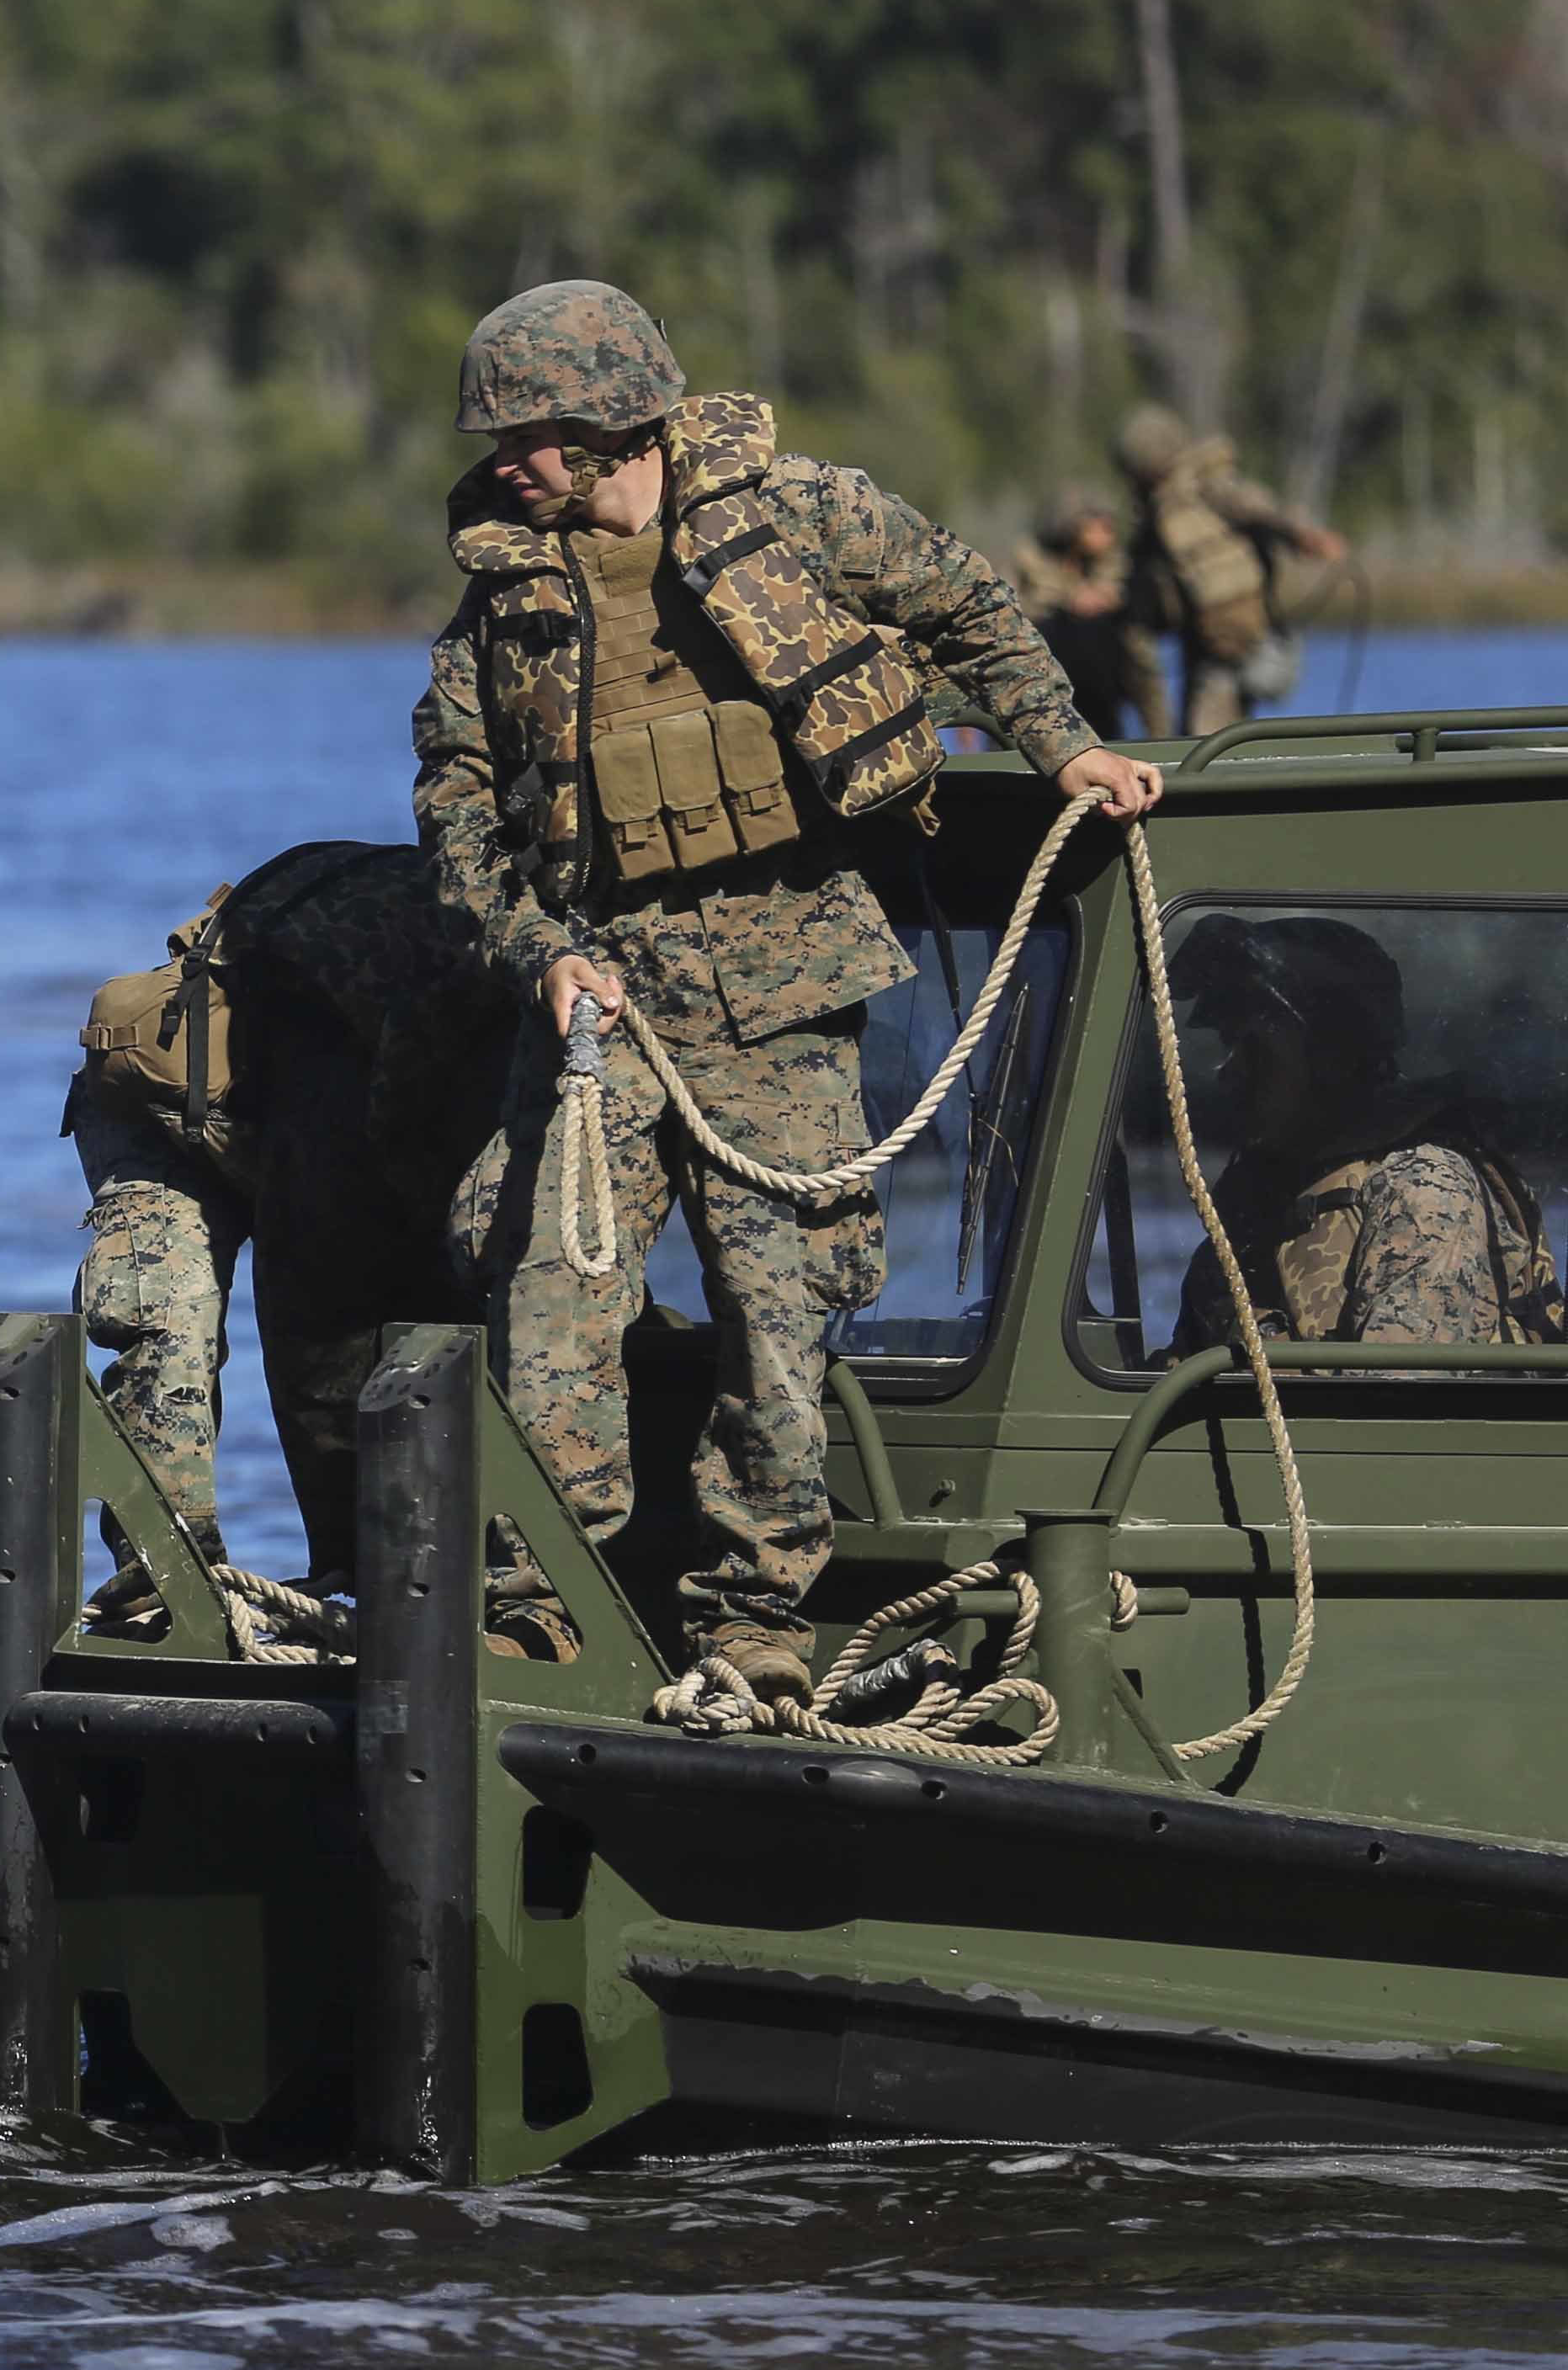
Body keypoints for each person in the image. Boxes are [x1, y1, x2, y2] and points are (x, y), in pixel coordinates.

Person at [412, 279, 1163, 1698]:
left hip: (781, 983)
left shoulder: (804, 515)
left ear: (609, 420)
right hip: (603, 1003)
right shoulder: (505, 594)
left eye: (529, 433)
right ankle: (534, 1625)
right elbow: (456, 807)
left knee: (781, 1317)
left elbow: (967, 602)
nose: (503, 461)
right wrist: (538, 951)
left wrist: (1066, 749)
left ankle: (754, 1631)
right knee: (551, 1310)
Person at [69, 841, 497, 1607]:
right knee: (161, 1316)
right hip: (164, 1108)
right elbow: (319, 1313)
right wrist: (351, 1565)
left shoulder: (487, 972)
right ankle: (163, 1587)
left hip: (275, 1093)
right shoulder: (395, 1001)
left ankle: (414, 1574)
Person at [1165, 916, 1568, 1353]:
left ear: (1330, 1060)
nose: (1229, 1074)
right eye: (1230, 1045)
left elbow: (1399, 1405)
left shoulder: (1423, 1190)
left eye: (1255, 1049)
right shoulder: (1263, 1194)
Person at [1110, 404, 1347, 736]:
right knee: (1197, 729)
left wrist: (1301, 535)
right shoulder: (1156, 508)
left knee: (1208, 733)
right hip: (1197, 638)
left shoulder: (1204, 486)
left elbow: (1257, 508)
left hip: (1232, 640)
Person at [1013, 492, 1161, 742]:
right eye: (1097, 526)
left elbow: (1121, 590)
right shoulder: (1032, 558)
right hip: (1052, 655)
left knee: (1137, 654)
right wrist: (1068, 598)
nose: (1106, 534)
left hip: (1103, 674)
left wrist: (1106, 597)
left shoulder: (1111, 562)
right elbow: (1022, 604)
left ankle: (1158, 737)